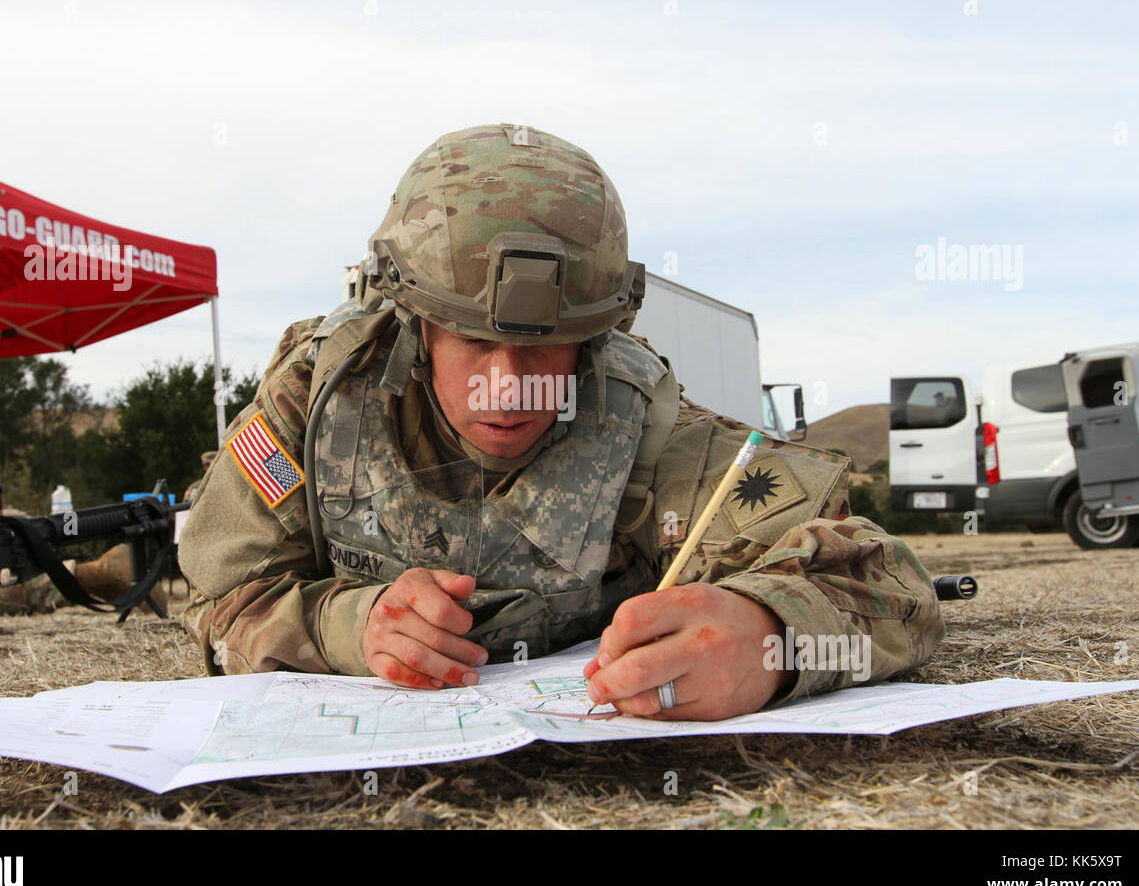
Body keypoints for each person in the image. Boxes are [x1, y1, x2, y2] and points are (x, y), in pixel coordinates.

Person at [177, 123, 944, 721]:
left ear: (594, 338)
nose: (507, 390)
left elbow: (893, 586)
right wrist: (353, 625)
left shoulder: (643, 430)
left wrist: (769, 638)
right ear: (417, 325)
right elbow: (219, 602)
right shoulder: (319, 397)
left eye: (545, 350)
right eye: (476, 342)